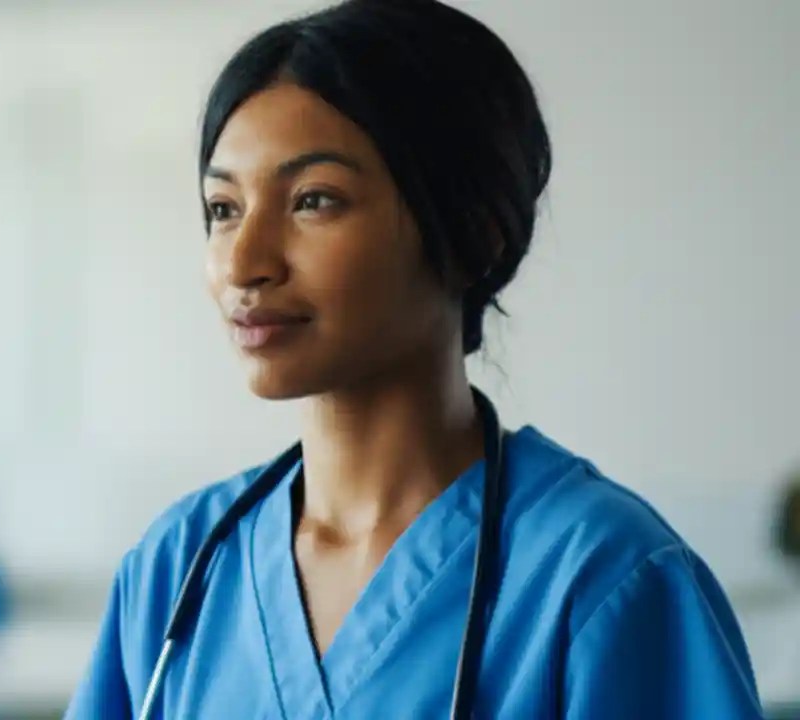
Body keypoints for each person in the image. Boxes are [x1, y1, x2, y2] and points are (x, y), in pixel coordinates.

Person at [66, 0, 763, 717]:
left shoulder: (601, 578)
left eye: (314, 200)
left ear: (475, 232)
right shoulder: (179, 570)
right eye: (223, 209)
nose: (244, 262)